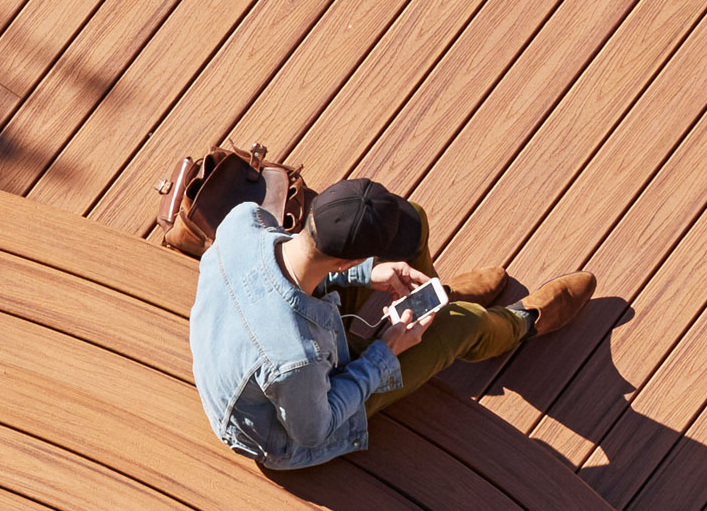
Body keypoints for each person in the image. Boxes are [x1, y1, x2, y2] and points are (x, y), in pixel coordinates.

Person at [167, 169, 591, 471]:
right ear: (345, 257)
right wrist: (386, 352)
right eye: (356, 263)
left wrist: (364, 273)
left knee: (414, 222)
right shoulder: (296, 359)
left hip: (260, 347)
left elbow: (284, 267)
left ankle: (437, 298)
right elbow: (315, 429)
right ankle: (523, 322)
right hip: (288, 425)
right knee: (464, 325)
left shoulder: (244, 219)